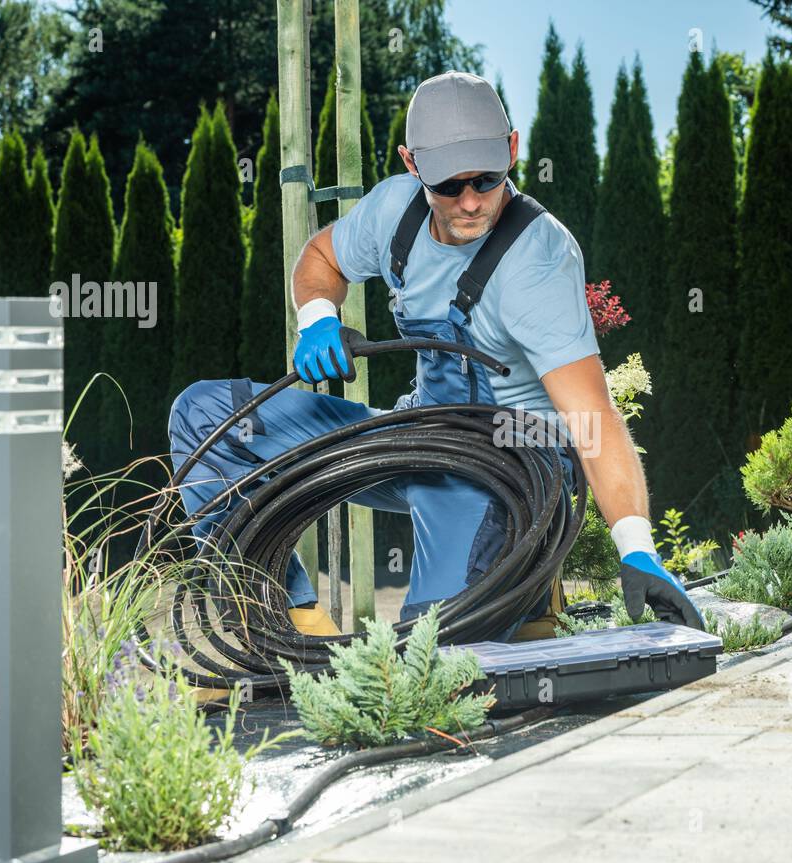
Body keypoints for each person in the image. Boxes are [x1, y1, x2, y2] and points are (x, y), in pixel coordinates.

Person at [168, 70, 704, 640]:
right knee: (208, 417)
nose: (471, 202)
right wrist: (319, 318)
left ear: (513, 150)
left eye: (488, 178)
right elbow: (321, 258)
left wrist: (636, 548)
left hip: (512, 465)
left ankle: (523, 589)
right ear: (411, 164)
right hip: (422, 432)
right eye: (449, 185)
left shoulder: (538, 261)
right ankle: (290, 623)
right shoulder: (393, 213)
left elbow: (591, 416)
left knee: (437, 642)